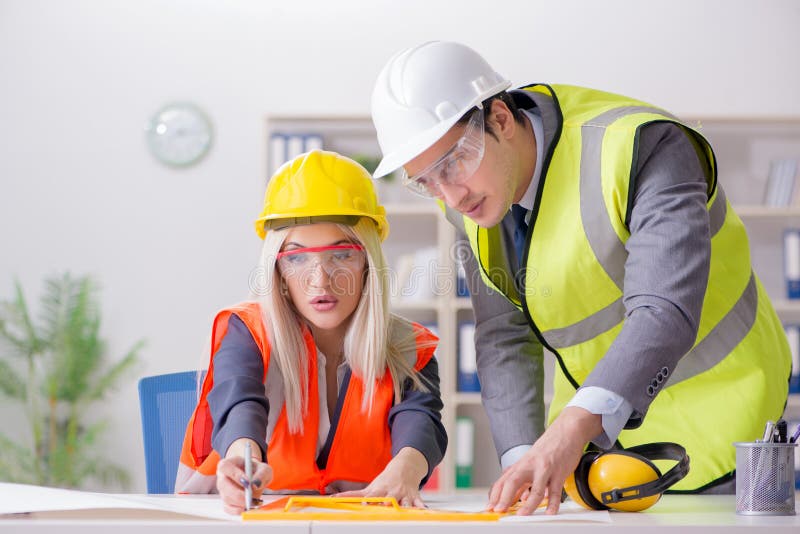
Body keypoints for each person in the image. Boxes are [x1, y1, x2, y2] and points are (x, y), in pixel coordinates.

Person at [369, 41, 791, 515]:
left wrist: (571, 429)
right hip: (592, 457)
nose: (450, 195)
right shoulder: (471, 203)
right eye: (426, 180)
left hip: (723, 437)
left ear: (501, 119)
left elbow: (664, 308)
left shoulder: (645, 147)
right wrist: (524, 459)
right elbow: (502, 335)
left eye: (454, 162)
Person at [176, 150, 447, 514]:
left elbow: (421, 419)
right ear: (278, 271)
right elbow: (239, 400)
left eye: (342, 254)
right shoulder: (247, 332)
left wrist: (406, 470)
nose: (321, 280)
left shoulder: (408, 346)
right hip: (241, 517)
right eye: (297, 257)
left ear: (368, 262)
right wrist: (244, 458)